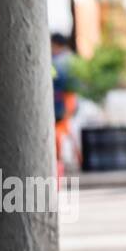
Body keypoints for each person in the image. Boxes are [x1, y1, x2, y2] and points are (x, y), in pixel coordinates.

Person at [51, 33, 79, 172]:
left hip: (60, 105)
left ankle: (57, 162)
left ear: (55, 45)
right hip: (72, 103)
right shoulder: (73, 58)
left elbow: (55, 82)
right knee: (68, 131)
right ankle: (77, 159)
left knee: (57, 133)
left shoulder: (57, 62)